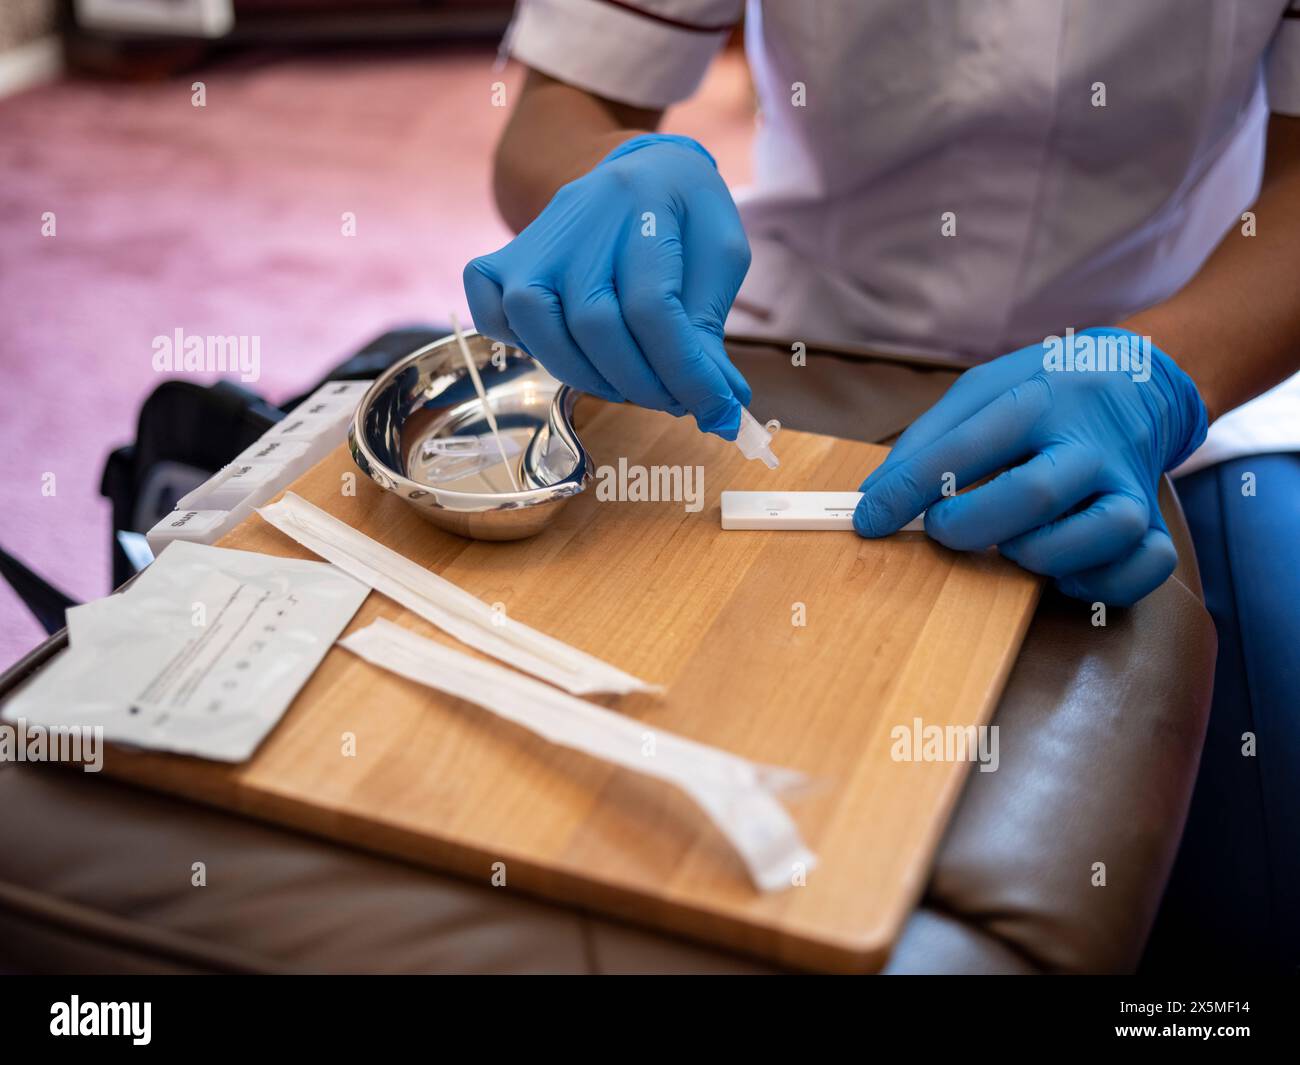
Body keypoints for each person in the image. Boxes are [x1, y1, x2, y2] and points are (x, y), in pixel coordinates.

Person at [463, 1, 1300, 971]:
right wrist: (608, 176)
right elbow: (555, 111)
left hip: (1180, 355)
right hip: (800, 337)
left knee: (1262, 847)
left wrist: (1161, 373)